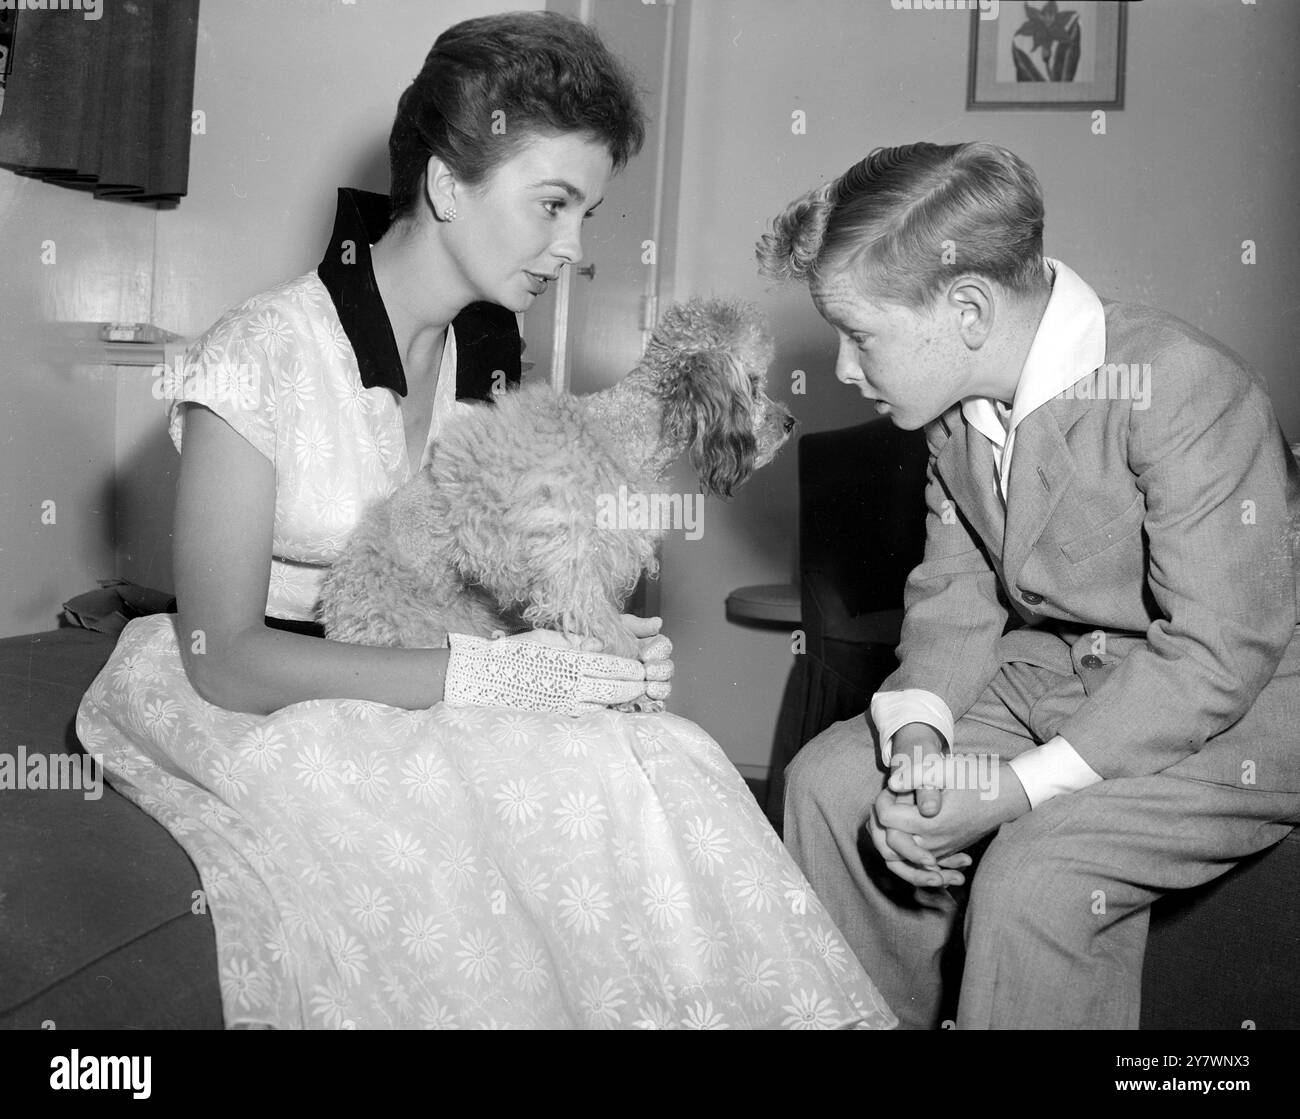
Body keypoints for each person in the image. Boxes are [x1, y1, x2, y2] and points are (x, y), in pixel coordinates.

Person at [76, 11, 894, 1030]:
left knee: (663, 755)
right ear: (447, 184)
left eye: (588, 212)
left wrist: (589, 649)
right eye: (553, 204)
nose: (574, 248)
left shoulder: (490, 358)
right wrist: (503, 676)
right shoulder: (262, 351)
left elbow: (481, 582)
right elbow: (224, 656)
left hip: (415, 675)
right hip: (269, 700)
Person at [760, 141, 1300, 1029]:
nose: (846, 371)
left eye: (859, 336)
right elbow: (954, 597)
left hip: (1234, 704)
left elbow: (1218, 651)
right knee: (832, 783)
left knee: (1036, 875)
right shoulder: (953, 420)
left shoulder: (1180, 383)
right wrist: (925, 737)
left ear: (968, 309)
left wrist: (1011, 792)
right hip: (1054, 677)